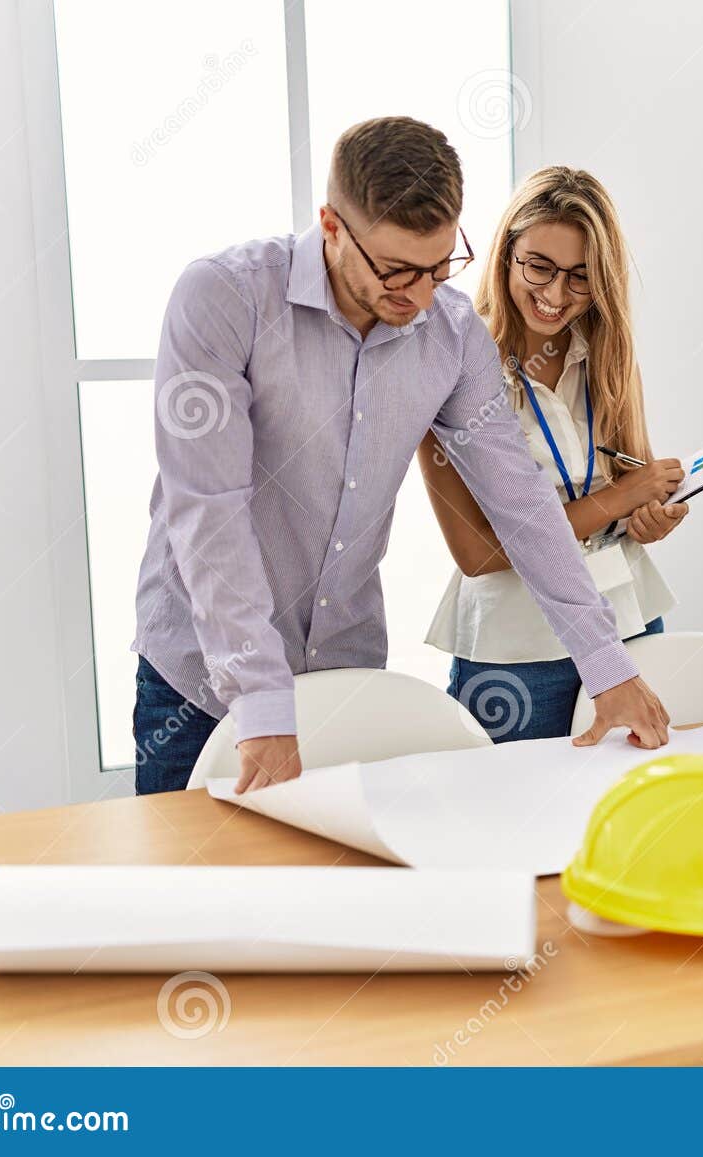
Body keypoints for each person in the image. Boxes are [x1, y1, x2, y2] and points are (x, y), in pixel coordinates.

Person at [131, 119, 671, 796]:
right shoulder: (226, 297)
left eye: (440, 266)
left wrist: (605, 663)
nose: (419, 296)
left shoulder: (451, 335)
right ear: (331, 226)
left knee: (348, 894)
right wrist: (262, 703)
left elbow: (523, 503)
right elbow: (209, 512)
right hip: (202, 683)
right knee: (191, 897)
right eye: (395, 270)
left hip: (346, 674)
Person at [418, 167, 688, 741]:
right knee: (510, 819)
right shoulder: (452, 368)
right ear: (506, 254)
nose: (555, 295)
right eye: (539, 266)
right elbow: (480, 554)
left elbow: (633, 492)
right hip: (515, 649)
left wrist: (648, 517)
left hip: (628, 619)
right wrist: (619, 499)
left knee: (632, 810)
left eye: (581, 278)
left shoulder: (610, 359)